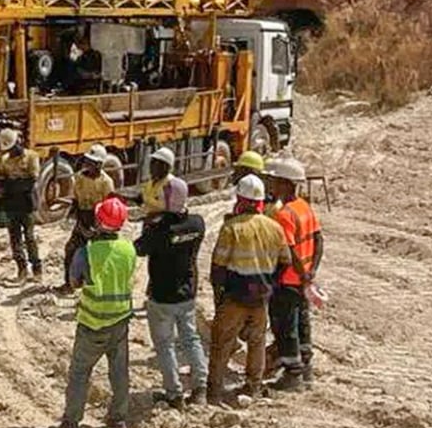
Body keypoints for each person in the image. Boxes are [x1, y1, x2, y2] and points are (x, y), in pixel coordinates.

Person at [47, 197, 136, 428]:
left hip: (92, 322)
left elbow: (74, 283)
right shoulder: (129, 249)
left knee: (79, 373)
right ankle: (118, 421)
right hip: (120, 321)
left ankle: (70, 425)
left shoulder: (86, 252)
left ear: (99, 221)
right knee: (119, 372)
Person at [207, 174, 290, 402]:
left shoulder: (231, 228)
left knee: (221, 344)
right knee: (257, 343)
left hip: (235, 297)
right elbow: (286, 261)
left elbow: (218, 267)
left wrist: (219, 296)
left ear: (240, 200)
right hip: (261, 296)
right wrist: (270, 284)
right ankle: (252, 386)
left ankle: (214, 391)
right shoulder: (274, 227)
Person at [134, 176, 208, 409]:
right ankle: (200, 388)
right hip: (187, 293)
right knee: (191, 339)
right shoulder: (197, 224)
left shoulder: (159, 230)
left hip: (162, 296)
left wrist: (149, 222)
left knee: (165, 346)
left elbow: (139, 249)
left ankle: (174, 393)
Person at [264, 158, 323, 391]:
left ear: (286, 184)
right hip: (303, 280)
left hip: (288, 280)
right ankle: (306, 368)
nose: (272, 186)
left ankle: (293, 375)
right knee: (302, 323)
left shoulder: (285, 214)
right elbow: (318, 241)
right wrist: (311, 272)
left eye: (276, 181)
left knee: (286, 326)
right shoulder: (305, 207)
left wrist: (301, 272)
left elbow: (289, 252)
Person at [57, 144, 114, 292]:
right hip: (83, 218)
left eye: (92, 162)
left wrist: (97, 227)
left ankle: (96, 288)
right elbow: (76, 199)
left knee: (98, 256)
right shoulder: (80, 177)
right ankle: (70, 283)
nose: (87, 164)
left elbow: (108, 207)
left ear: (99, 164)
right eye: (87, 161)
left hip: (99, 222)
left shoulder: (106, 182)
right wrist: (73, 216)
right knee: (71, 249)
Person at [0, 128, 42, 281]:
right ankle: (22, 270)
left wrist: (10, 184)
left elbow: (32, 181)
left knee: (29, 237)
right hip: (11, 204)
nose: (12, 151)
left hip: (27, 203)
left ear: (19, 142)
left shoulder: (32, 157)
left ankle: (37, 270)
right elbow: (1, 181)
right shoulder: (5, 160)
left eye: (13, 147)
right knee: (15, 239)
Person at [140, 146, 177, 220]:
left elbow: (171, 211)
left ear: (166, 167)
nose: (151, 166)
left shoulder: (171, 185)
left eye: (156, 163)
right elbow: (146, 198)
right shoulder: (152, 181)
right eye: (152, 162)